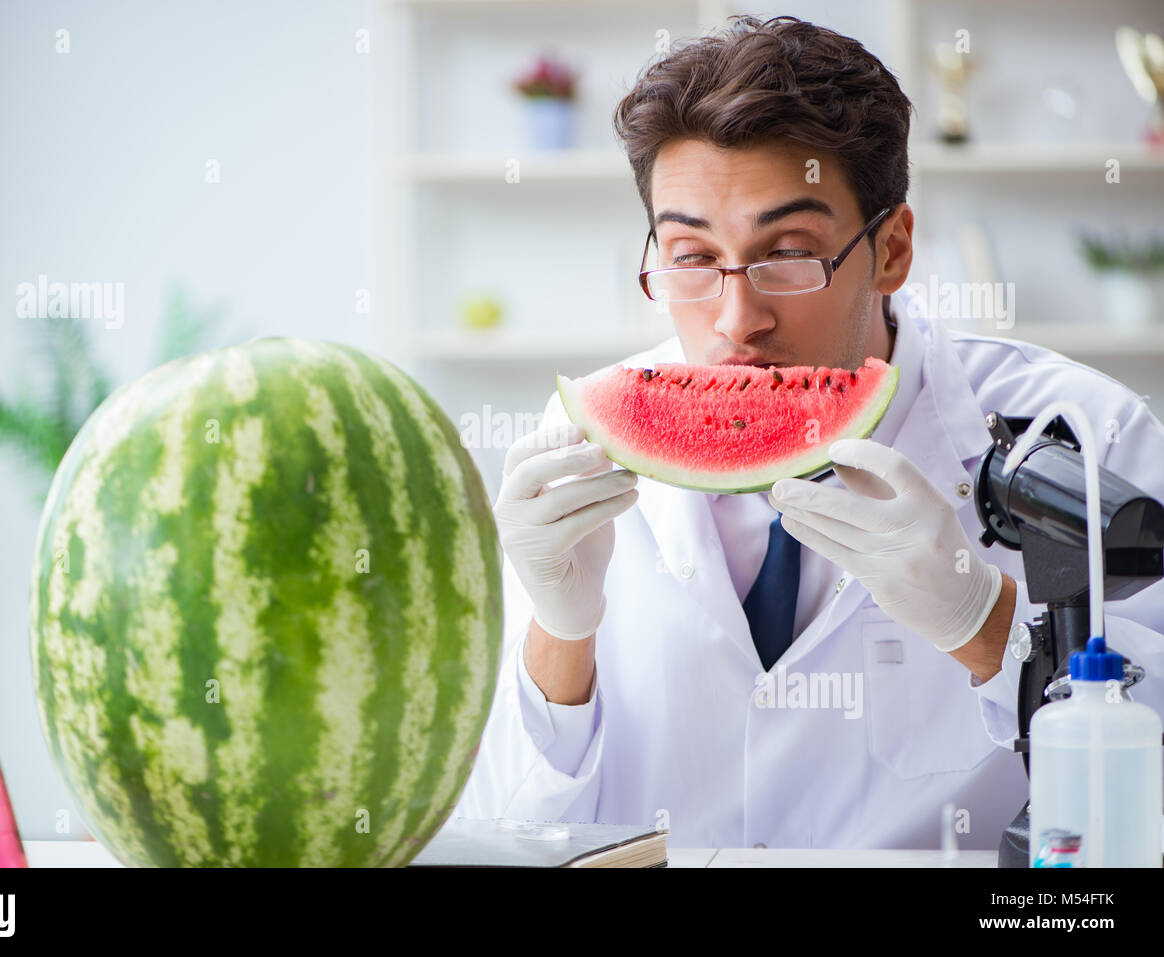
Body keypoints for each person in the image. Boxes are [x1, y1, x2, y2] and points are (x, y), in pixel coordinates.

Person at [450, 15, 1164, 850]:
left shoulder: (1087, 435)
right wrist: (560, 635)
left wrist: (986, 622)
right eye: (689, 256)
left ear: (892, 248)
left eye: (787, 251)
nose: (735, 319)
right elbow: (512, 831)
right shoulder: (577, 450)